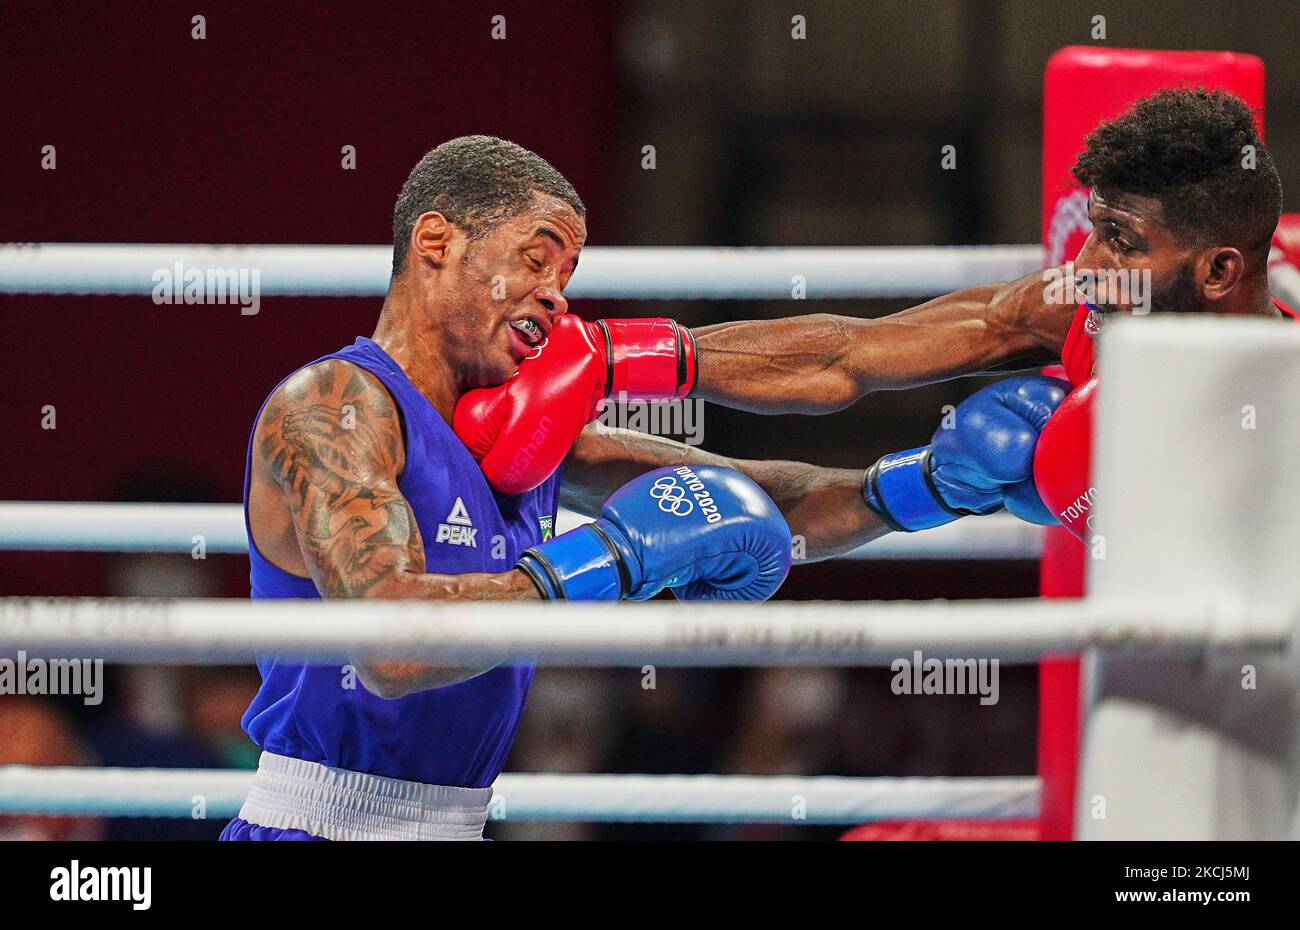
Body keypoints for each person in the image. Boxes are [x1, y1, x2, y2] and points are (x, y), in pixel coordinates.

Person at [225, 136, 1061, 842]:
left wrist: (934, 486)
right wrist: (610, 560)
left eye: (569, 272)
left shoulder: (520, 437)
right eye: (535, 257)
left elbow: (754, 502)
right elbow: (393, 647)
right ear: (436, 241)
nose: (556, 295)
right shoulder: (333, 404)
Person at [469, 89, 1294, 536]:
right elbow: (849, 355)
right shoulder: (1077, 310)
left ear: (1219, 269)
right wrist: (618, 358)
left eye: (1120, 241)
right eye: (1095, 229)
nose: (1085, 264)